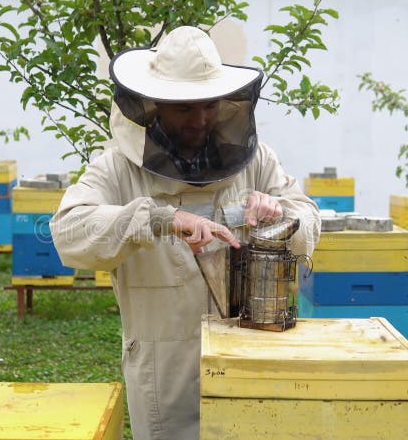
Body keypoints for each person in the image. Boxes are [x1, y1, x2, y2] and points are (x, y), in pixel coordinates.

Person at [50, 26, 321, 440]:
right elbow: (68, 232)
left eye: (210, 105)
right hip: (166, 377)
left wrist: (279, 213)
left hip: (252, 358)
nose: (200, 120)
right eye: (184, 109)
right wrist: (157, 219)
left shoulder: (257, 161)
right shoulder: (117, 168)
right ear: (154, 106)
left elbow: (309, 221)